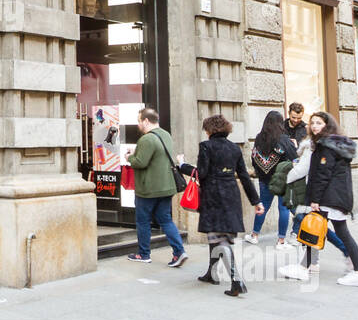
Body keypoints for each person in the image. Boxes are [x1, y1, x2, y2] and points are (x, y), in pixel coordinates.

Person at [182, 114, 262, 296]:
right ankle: (212, 273)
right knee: (218, 236)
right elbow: (243, 175)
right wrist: (256, 201)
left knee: (219, 239)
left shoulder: (206, 146)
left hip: (213, 196)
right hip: (231, 195)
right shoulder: (234, 148)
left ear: (209, 130)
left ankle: (236, 281)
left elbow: (201, 173)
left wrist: (182, 166)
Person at [297, 112, 358, 287]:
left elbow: (323, 174)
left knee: (324, 229)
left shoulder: (326, 146)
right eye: (312, 123)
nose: (314, 126)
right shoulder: (331, 144)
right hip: (335, 196)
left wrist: (315, 199)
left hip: (330, 197)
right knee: (318, 228)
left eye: (319, 123)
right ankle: (306, 266)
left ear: (327, 125)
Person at [125, 107, 189, 267]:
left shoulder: (146, 139)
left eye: (139, 121)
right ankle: (179, 251)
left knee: (143, 221)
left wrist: (129, 157)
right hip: (166, 186)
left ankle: (144, 254)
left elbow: (140, 162)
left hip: (148, 189)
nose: (138, 124)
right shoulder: (165, 134)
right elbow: (156, 156)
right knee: (166, 219)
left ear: (146, 121)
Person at [246, 110, 298, 247]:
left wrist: (261, 172)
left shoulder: (259, 138)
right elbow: (295, 158)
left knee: (262, 206)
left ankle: (254, 235)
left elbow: (254, 158)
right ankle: (281, 240)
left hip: (264, 179)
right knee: (284, 209)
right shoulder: (284, 139)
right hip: (283, 180)